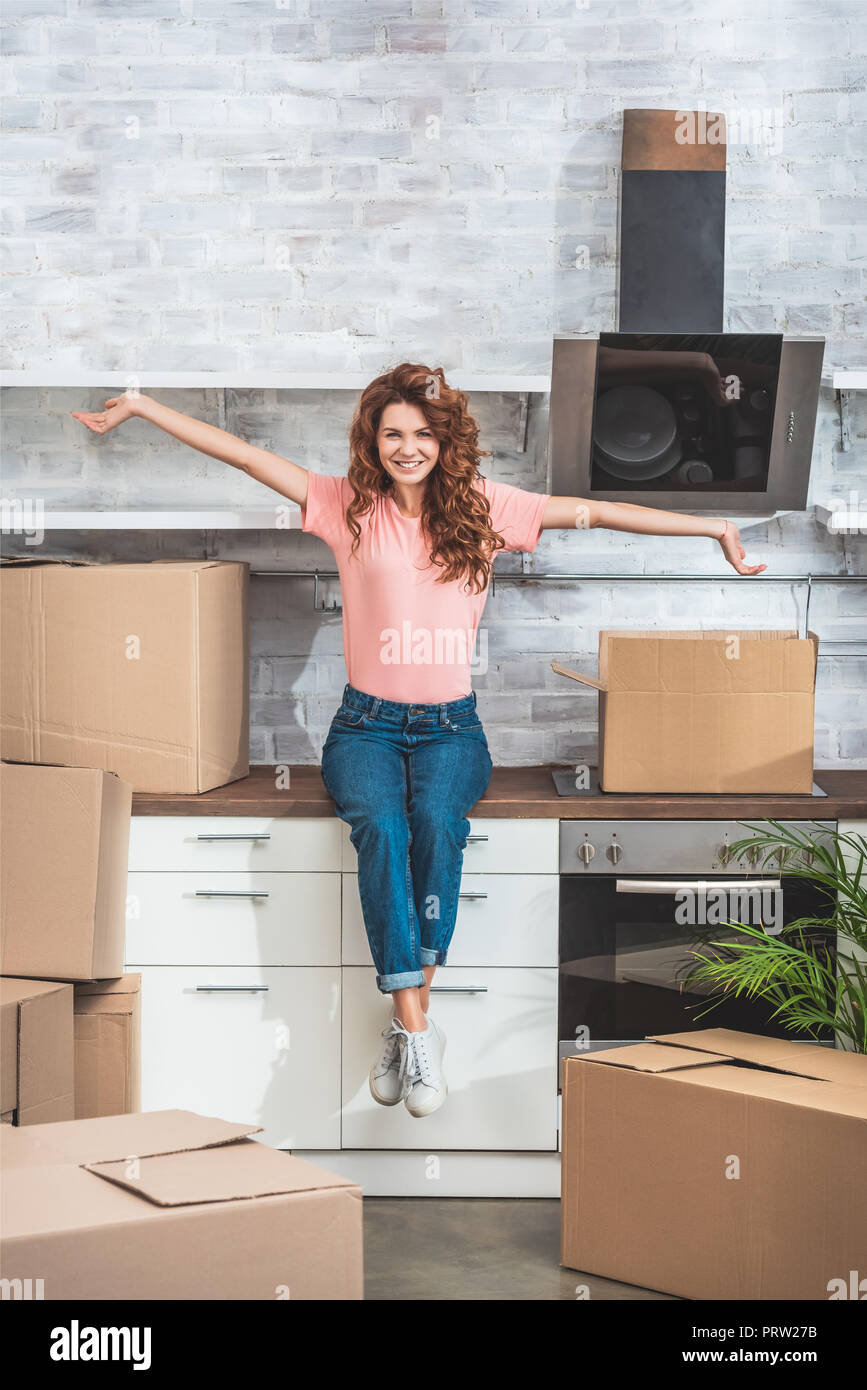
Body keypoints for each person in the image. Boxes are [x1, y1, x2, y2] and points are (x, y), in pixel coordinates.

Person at [72, 362, 766, 1119]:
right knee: (380, 828)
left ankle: (403, 1024)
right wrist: (142, 404)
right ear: (373, 440)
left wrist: (711, 527)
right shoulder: (344, 506)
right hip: (364, 728)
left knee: (437, 827)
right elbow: (241, 454)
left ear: (444, 440)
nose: (408, 447)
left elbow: (593, 512)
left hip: (450, 731)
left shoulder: (484, 508)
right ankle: (416, 1025)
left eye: (422, 434)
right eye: (392, 433)